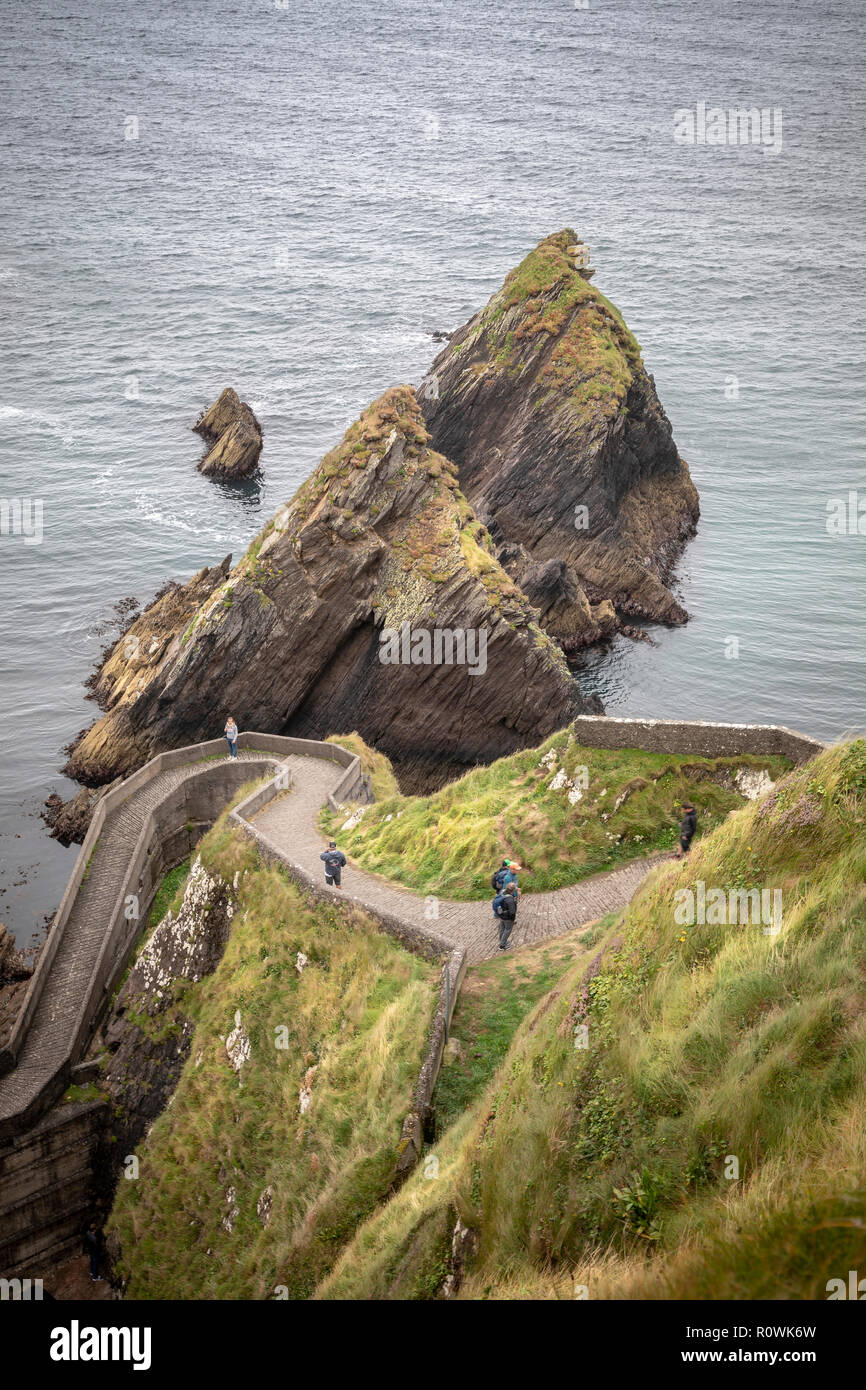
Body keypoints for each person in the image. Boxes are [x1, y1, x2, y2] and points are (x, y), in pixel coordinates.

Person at [492, 882, 518, 951]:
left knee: (502, 929)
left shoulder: (502, 893)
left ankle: (502, 941)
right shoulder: (510, 899)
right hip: (507, 918)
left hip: (501, 915)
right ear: (513, 890)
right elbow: (512, 912)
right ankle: (502, 945)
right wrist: (512, 919)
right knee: (507, 930)